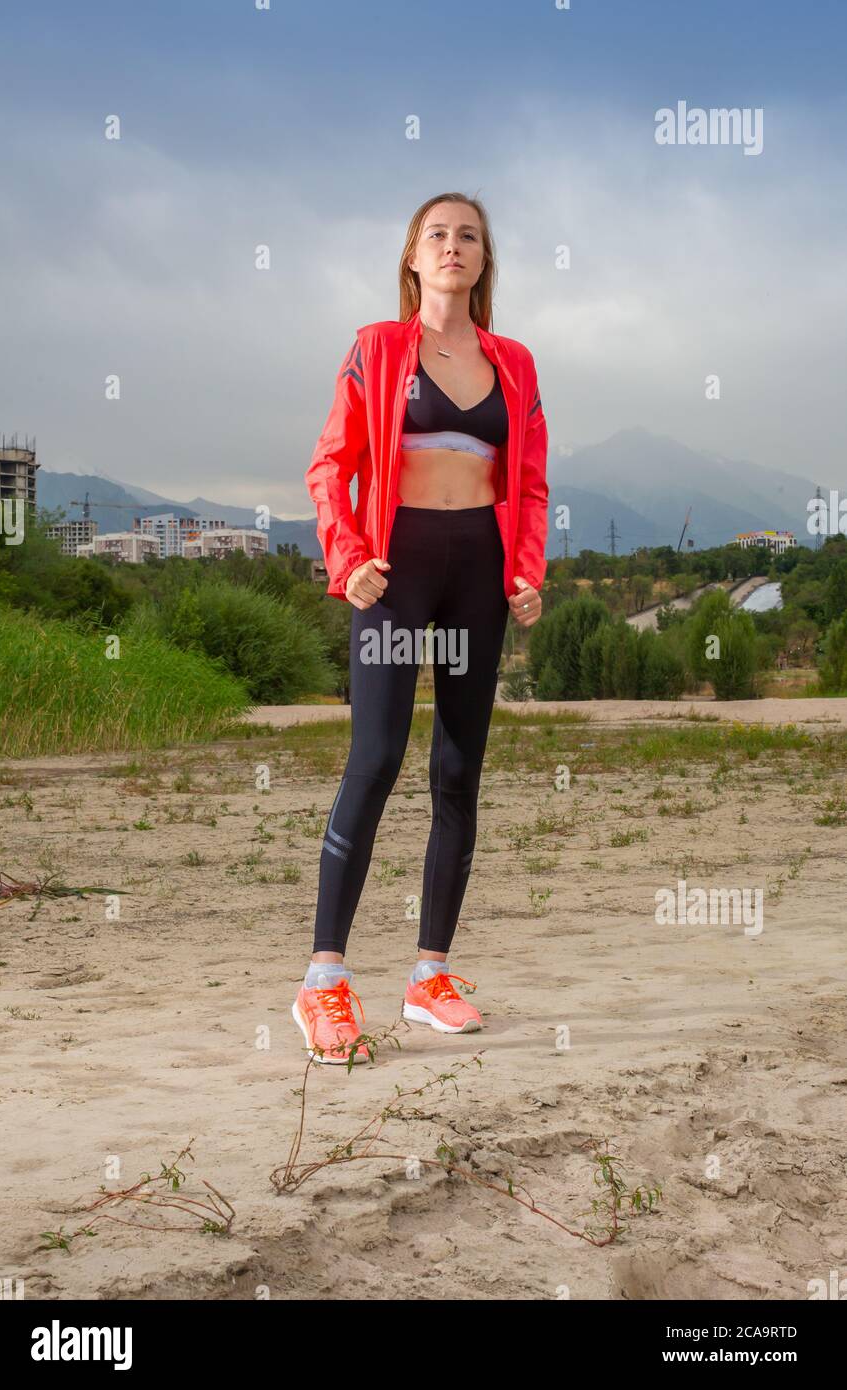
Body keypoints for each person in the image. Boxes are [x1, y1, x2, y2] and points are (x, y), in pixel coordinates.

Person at [295, 192, 549, 1064]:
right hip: (396, 571)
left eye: (468, 236)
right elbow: (332, 464)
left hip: (479, 570)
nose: (452, 247)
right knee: (375, 759)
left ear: (484, 260)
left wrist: (525, 570)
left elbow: (532, 481)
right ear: (412, 256)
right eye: (436, 234)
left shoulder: (514, 362)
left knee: (457, 771)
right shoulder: (377, 347)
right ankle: (323, 982)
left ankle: (428, 976)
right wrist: (346, 556)